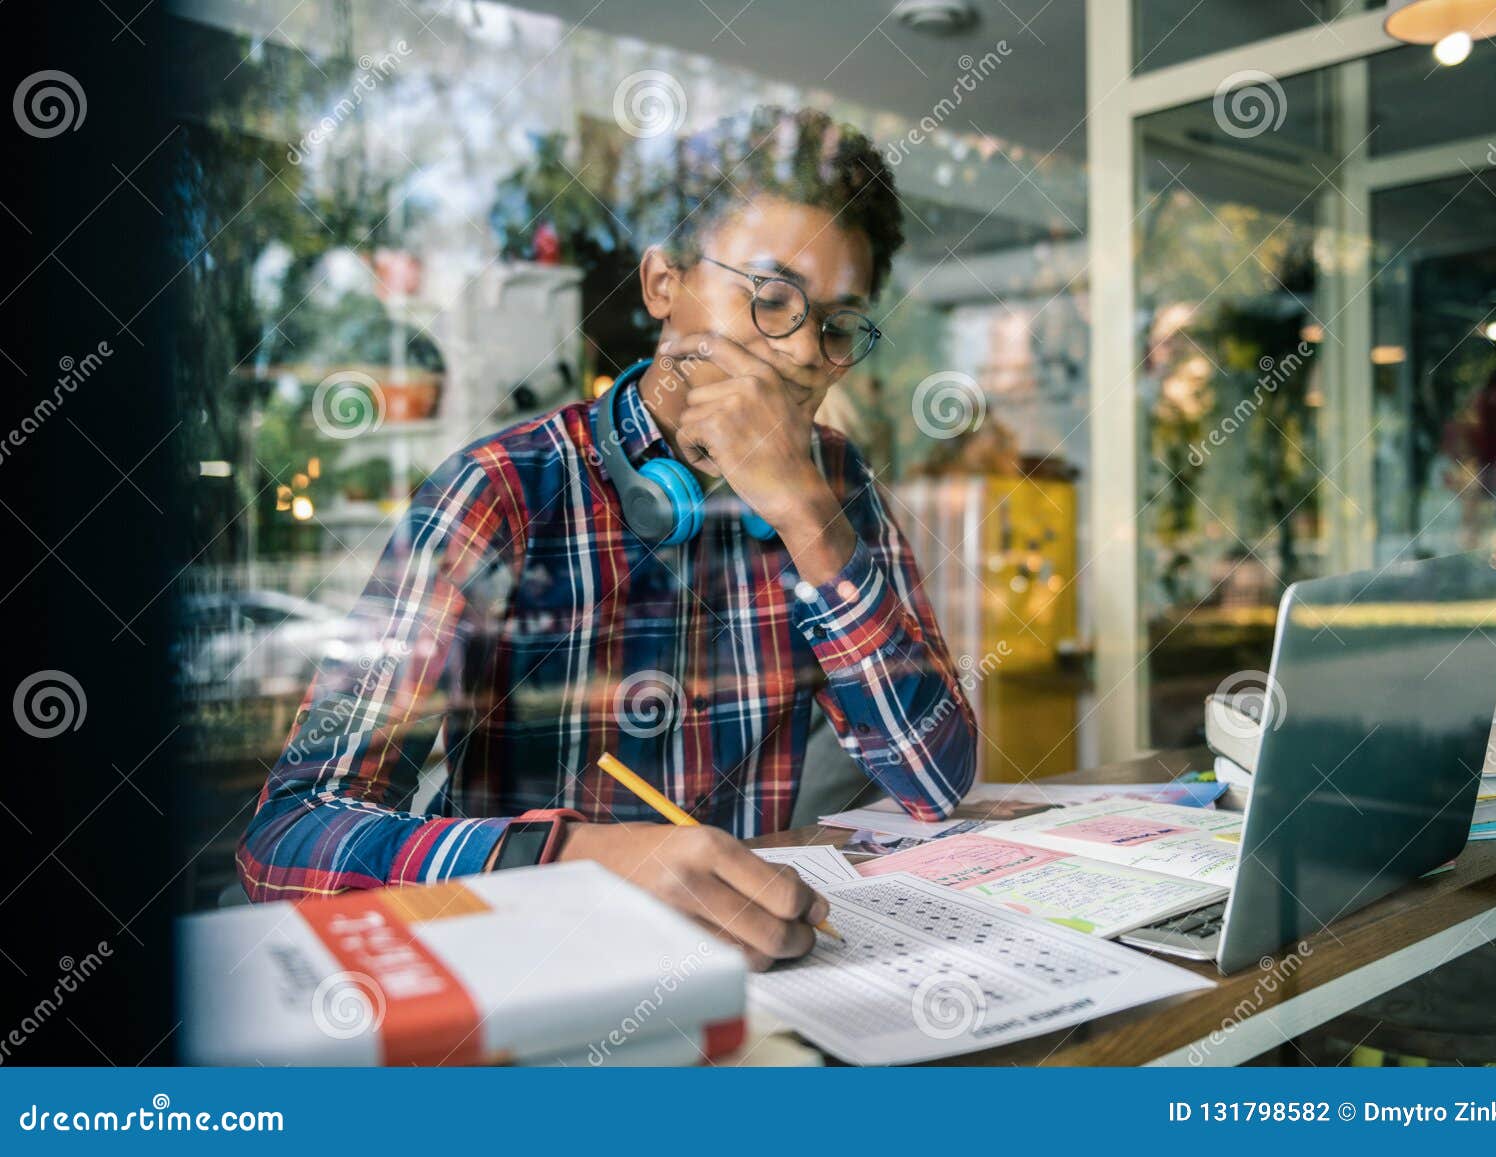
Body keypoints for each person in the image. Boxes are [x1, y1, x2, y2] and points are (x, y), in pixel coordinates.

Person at [237, 107, 977, 970]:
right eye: (771, 298)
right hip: (535, 985)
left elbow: (937, 782)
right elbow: (288, 838)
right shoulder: (498, 492)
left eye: (837, 323)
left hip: (764, 985)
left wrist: (811, 523)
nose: (805, 350)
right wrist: (570, 860)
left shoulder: (836, 487)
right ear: (663, 284)